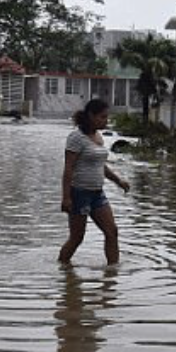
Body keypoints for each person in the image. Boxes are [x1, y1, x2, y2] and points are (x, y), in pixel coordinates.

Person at [59, 98, 130, 265]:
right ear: (91, 115)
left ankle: (112, 272)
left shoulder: (98, 136)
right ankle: (63, 268)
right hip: (79, 193)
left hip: (97, 194)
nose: (106, 121)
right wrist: (66, 197)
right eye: (102, 117)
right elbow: (68, 169)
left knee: (112, 232)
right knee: (77, 238)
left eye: (107, 117)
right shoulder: (76, 137)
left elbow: (100, 166)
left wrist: (118, 181)